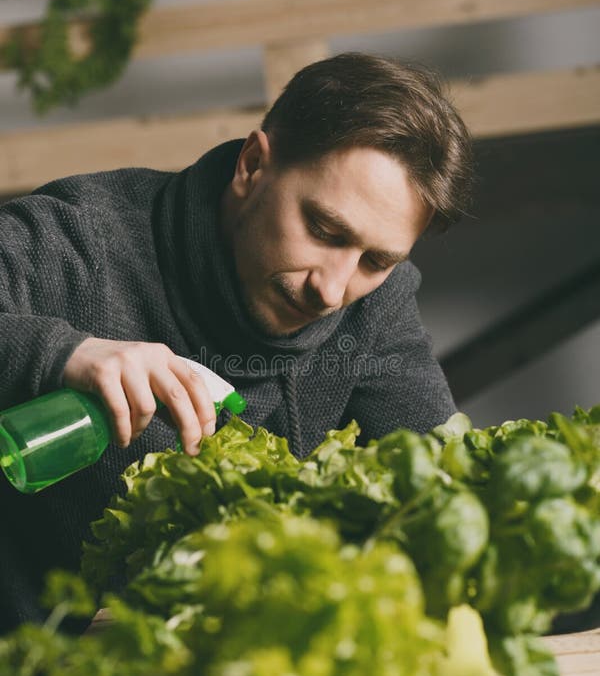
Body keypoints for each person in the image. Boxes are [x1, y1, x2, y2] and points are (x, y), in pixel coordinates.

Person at [0, 52, 472, 632]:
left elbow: (441, 486)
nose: (331, 290)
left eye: (375, 261)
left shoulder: (375, 304)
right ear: (252, 166)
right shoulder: (75, 240)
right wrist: (60, 353)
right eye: (324, 230)